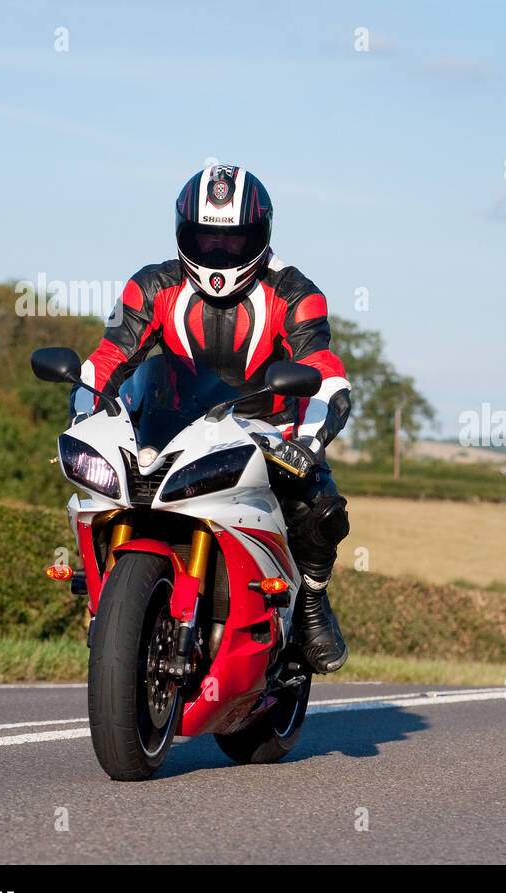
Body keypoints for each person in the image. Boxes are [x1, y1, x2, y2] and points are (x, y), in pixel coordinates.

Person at [72, 164, 352, 674]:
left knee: (321, 511)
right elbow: (110, 356)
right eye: (206, 238)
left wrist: (310, 440)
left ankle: (311, 605)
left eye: (235, 240)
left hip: (265, 431)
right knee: (104, 480)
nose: (219, 253)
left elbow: (323, 370)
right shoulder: (150, 285)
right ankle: (110, 599)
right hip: (176, 424)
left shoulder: (295, 291)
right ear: (183, 233)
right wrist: (84, 408)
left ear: (261, 236)